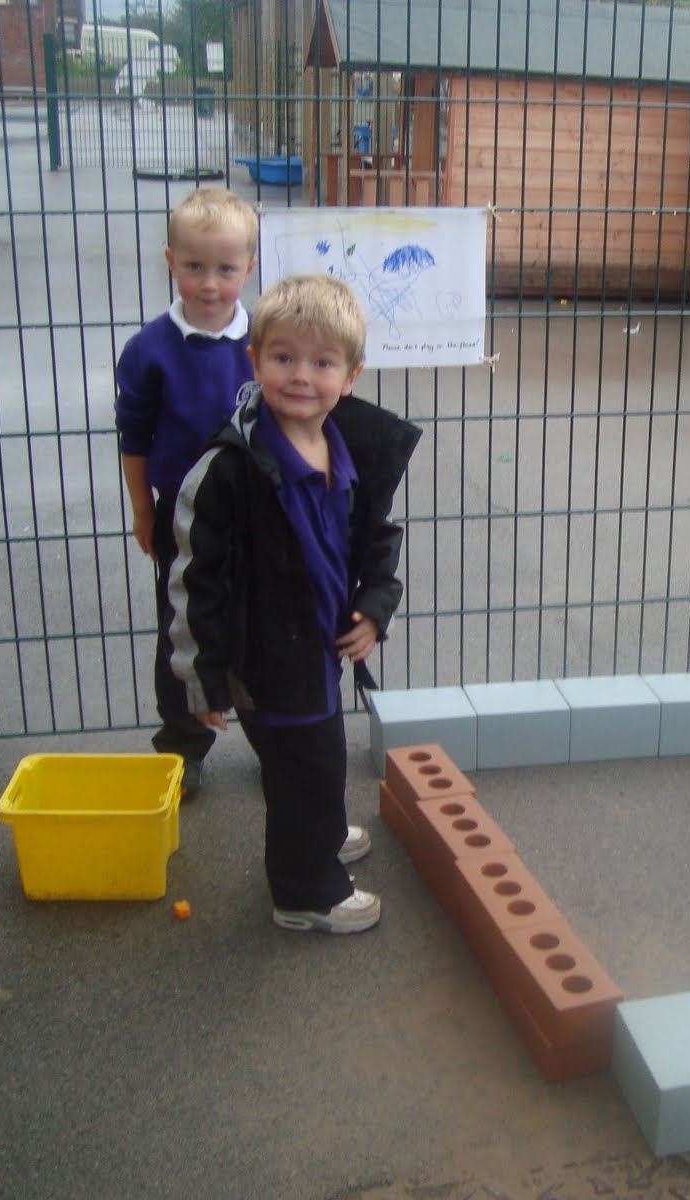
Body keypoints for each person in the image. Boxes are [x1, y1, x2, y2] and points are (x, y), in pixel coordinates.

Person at [165, 273, 422, 934]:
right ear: (254, 360)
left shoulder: (349, 448)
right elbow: (197, 578)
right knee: (298, 767)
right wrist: (204, 676)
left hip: (319, 645)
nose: (300, 376)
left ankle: (323, 829)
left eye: (322, 362)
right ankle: (305, 893)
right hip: (268, 655)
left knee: (320, 754)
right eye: (282, 357)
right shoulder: (229, 470)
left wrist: (373, 607)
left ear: (351, 374)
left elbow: (376, 540)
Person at [114, 186, 259, 797]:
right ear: (170, 260)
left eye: (225, 269)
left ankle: (274, 738)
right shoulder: (149, 352)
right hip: (180, 520)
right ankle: (181, 747)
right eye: (194, 266)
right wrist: (143, 510)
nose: (209, 283)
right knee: (181, 626)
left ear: (248, 268)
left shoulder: (266, 344)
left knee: (257, 626)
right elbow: (134, 439)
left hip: (255, 517)